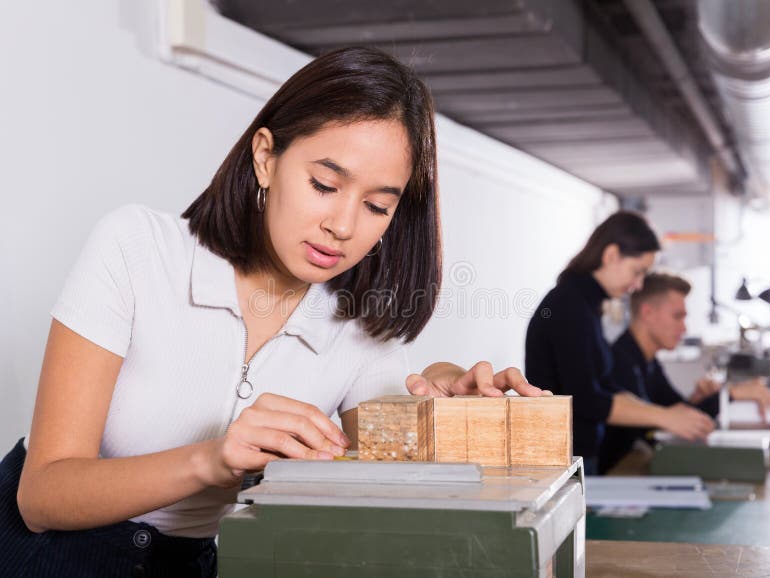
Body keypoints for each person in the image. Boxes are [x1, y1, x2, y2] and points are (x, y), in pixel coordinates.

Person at [0, 47, 547, 578]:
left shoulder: (360, 329)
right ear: (265, 157)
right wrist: (212, 459)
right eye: (324, 185)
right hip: (38, 554)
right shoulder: (137, 248)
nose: (343, 226)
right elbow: (42, 496)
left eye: (377, 206)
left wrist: (448, 409)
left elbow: (396, 456)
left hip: (187, 564)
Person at [524, 211, 715, 475]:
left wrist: (669, 412)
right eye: (637, 272)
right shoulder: (569, 304)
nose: (638, 285)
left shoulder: (587, 305)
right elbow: (584, 398)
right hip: (561, 460)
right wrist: (663, 416)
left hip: (578, 455)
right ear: (611, 255)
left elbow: (606, 386)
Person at [599, 272, 770, 473]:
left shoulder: (648, 361)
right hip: (615, 475)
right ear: (647, 313)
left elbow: (675, 415)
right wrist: (731, 394)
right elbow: (657, 428)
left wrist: (698, 399)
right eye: (677, 316)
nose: (684, 328)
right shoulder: (620, 363)